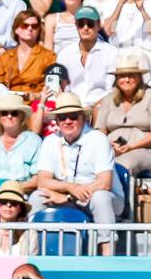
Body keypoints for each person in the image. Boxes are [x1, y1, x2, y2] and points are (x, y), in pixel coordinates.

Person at [32, 91, 124, 250]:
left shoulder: (98, 139)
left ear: (83, 117)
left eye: (73, 116)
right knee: (36, 197)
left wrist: (67, 197)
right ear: (57, 121)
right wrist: (70, 189)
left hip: (101, 196)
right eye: (62, 117)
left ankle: (108, 255)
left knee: (100, 198)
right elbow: (42, 180)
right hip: (71, 194)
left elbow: (105, 183)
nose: (68, 121)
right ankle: (30, 250)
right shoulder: (50, 141)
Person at [94, 50, 151, 175]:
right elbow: (100, 130)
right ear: (117, 79)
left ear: (139, 77)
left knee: (123, 164)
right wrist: (108, 145)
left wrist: (132, 146)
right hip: (112, 149)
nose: (127, 79)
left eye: (131, 75)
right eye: (122, 76)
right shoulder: (108, 99)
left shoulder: (149, 96)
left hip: (143, 149)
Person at [0, 11, 57, 100]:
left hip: (37, 104)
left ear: (39, 30)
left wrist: (37, 96)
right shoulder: (5, 57)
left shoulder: (49, 57)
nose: (30, 28)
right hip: (11, 105)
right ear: (16, 29)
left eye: (34, 26)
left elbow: (52, 89)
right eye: (25, 25)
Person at [0, 181, 39, 256]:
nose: (8, 205)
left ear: (20, 208)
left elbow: (30, 261)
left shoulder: (29, 232)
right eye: (3, 201)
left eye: (14, 202)